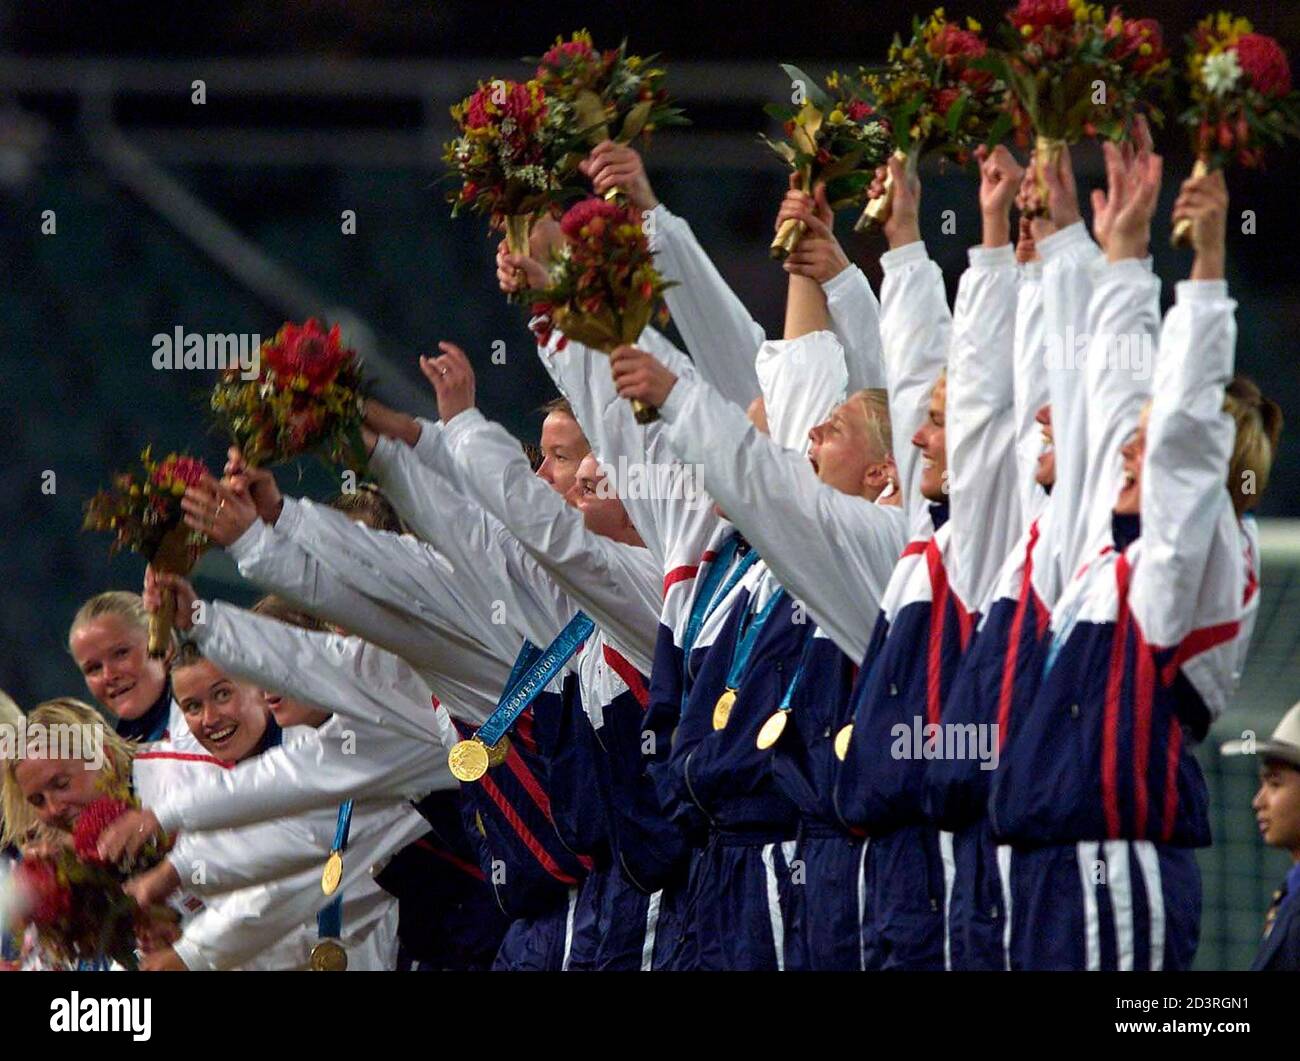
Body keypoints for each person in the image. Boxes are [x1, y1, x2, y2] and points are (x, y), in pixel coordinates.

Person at [991, 151, 1281, 970]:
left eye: (1144, 452)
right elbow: (1108, 399)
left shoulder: (1191, 560)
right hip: (1041, 871)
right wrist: (1114, 247)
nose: (1127, 454)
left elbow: (1182, 428)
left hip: (1112, 869)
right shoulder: (1095, 570)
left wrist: (1208, 265)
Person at [67, 591, 199, 748]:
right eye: (93, 668)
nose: (108, 676)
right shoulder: (114, 758)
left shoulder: (211, 734)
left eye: (121, 653)